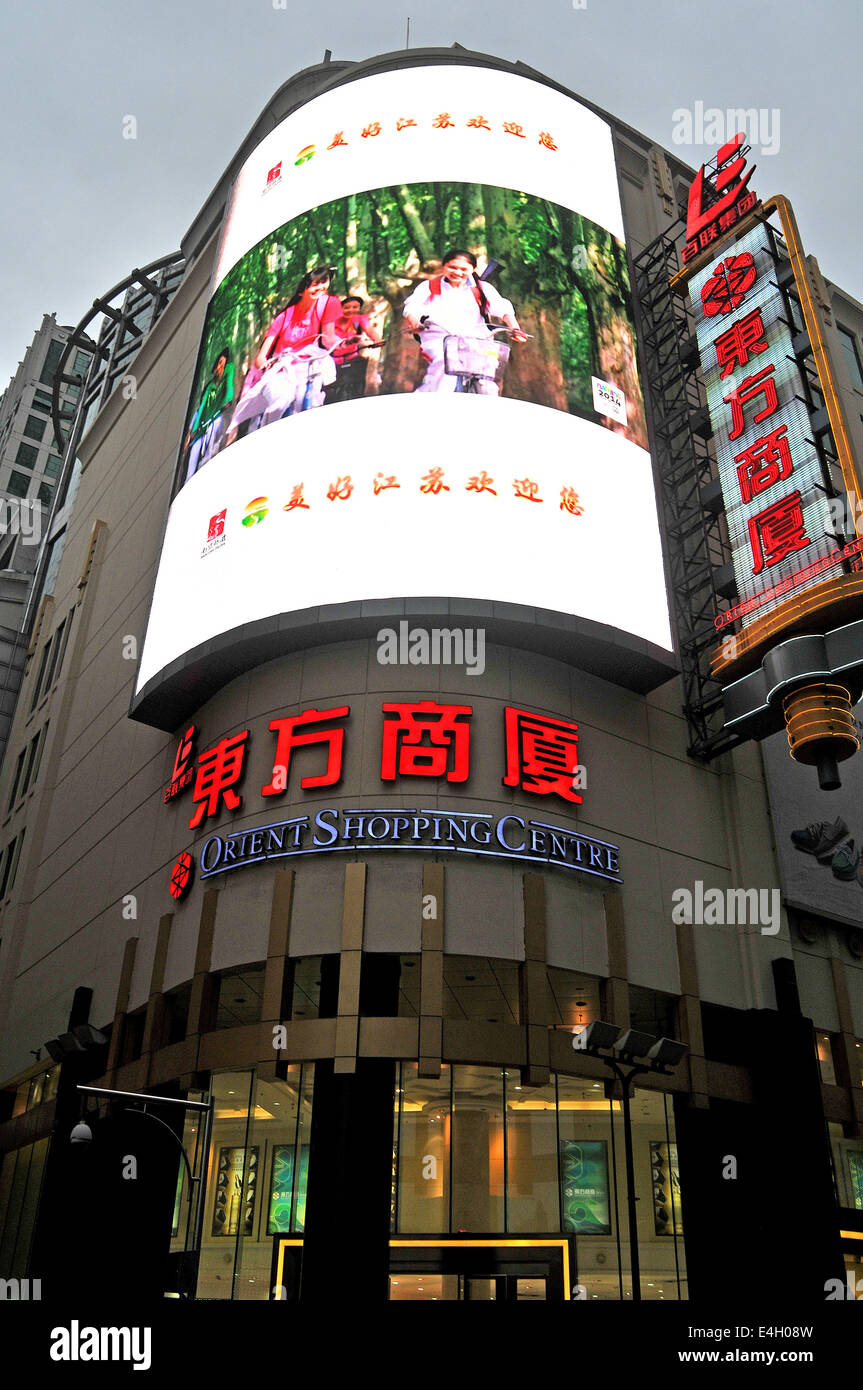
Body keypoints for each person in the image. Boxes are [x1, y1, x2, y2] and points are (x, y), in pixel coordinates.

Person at [229, 267, 342, 433]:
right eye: (314, 284)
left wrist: (345, 342)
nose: (320, 288)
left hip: (309, 366)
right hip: (282, 368)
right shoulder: (285, 316)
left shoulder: (328, 304)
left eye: (324, 282)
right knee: (280, 400)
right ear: (301, 291)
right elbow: (261, 357)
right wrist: (266, 364)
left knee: (310, 403)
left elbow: (328, 337)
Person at [402, 250, 527, 394]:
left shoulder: (481, 288)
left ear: (473, 269)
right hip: (440, 340)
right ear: (444, 267)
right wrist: (414, 322)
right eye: (452, 267)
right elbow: (412, 307)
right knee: (443, 373)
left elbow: (503, 308)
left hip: (477, 341)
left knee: (486, 384)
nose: (457, 272)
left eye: (463, 269)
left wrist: (515, 328)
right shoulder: (429, 286)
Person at [183, 348, 235, 481]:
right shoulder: (209, 387)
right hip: (199, 429)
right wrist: (192, 431)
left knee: (214, 434)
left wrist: (227, 401)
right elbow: (198, 410)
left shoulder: (226, 380)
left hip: (215, 420)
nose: (221, 366)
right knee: (192, 458)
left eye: (224, 363)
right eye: (219, 363)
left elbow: (229, 391)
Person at [328, 296, 377, 403]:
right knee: (330, 387)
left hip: (352, 357)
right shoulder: (331, 320)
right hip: (333, 358)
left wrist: (377, 340)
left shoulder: (360, 319)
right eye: (347, 307)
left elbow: (369, 329)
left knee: (357, 383)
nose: (351, 310)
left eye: (355, 307)